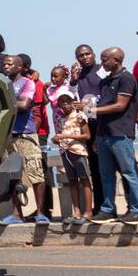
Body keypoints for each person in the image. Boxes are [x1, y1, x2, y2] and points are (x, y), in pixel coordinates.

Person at [88, 47, 138, 223]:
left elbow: (120, 105)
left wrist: (92, 110)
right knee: (106, 174)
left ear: (116, 60)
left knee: (129, 172)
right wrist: (96, 136)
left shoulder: (126, 78)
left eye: (105, 60)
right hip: (104, 134)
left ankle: (137, 209)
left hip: (120, 133)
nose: (102, 64)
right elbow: (105, 107)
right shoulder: (105, 81)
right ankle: (108, 210)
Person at [0, 53, 49, 225]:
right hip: (7, 136)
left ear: (19, 67)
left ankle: (41, 213)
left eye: (9, 64)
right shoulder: (3, 84)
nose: (5, 66)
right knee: (11, 176)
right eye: (4, 64)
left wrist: (3, 104)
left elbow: (24, 105)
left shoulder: (27, 83)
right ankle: (17, 214)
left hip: (25, 134)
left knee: (35, 173)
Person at [71, 44, 106, 212]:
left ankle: (134, 206)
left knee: (119, 168)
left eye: (87, 54)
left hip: (105, 123)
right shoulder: (78, 75)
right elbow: (72, 95)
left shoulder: (102, 70)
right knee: (95, 169)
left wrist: (89, 104)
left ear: (93, 54)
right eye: (80, 55)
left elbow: (107, 96)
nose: (84, 57)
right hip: (89, 126)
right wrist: (73, 80)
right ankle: (101, 206)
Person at [51, 94, 92, 225]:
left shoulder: (80, 115)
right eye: (62, 103)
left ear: (73, 102)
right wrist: (57, 140)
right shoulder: (61, 119)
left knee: (85, 180)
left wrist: (65, 136)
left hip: (78, 151)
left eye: (67, 102)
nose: (65, 105)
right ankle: (77, 212)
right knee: (72, 182)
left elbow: (87, 135)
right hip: (65, 152)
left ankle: (88, 212)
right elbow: (63, 136)